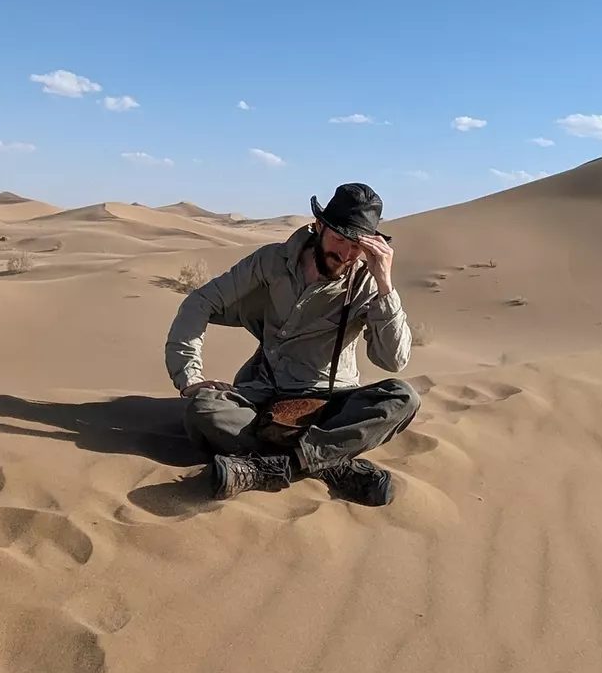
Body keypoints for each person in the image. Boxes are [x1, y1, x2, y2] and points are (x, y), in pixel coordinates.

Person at [165, 182, 419, 506]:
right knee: (204, 410)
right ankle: (330, 463)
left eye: (357, 245)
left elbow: (393, 360)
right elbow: (201, 301)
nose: (345, 254)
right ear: (319, 226)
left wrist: (385, 285)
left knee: (403, 397)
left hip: (330, 404)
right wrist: (189, 378)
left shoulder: (368, 283)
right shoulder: (272, 261)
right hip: (262, 394)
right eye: (339, 239)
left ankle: (276, 467)